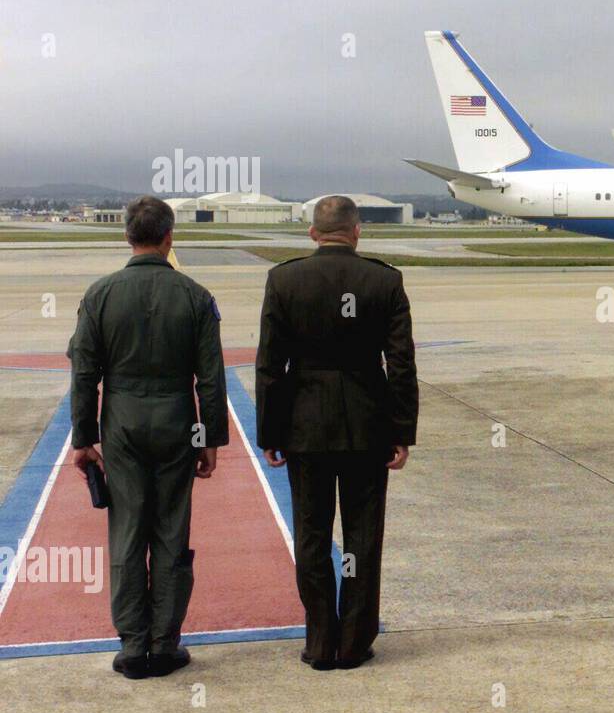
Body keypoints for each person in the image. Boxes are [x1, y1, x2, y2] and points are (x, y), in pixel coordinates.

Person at [67, 195, 227, 679]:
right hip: (177, 418)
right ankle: (165, 641)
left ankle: (133, 645)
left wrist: (83, 437)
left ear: (127, 236)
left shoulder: (100, 295)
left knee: (128, 530)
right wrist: (209, 438)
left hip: (123, 421)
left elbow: (83, 373)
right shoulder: (195, 296)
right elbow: (210, 379)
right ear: (169, 236)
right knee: (172, 531)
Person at [255, 195, 417, 670]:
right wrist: (402, 431)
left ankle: (320, 640)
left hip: (305, 427)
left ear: (312, 233)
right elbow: (402, 364)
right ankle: (355, 641)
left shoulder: (283, 280)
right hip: (367, 426)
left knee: (311, 534)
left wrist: (270, 433)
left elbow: (269, 365)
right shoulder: (384, 280)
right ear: (358, 231)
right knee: (363, 538)